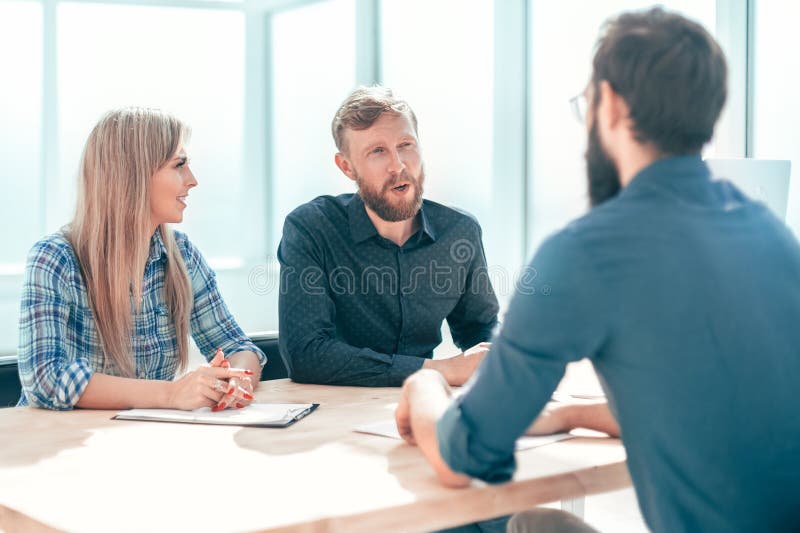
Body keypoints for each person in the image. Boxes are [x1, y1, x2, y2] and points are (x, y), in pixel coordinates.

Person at [396, 7, 800, 532]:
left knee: (524, 525)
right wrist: (572, 414)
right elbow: (711, 403)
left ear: (608, 103)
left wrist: (423, 386)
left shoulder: (588, 251)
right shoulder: (769, 231)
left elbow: (463, 458)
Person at [17, 107, 266, 411]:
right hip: (60, 446)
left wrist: (236, 380)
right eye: (179, 165)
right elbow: (45, 379)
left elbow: (238, 347)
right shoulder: (55, 259)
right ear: (133, 175)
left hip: (143, 441)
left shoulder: (182, 255)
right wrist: (171, 394)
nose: (193, 180)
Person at [277, 86, 500, 388]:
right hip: (335, 409)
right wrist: (436, 370)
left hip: (420, 404)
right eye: (377, 151)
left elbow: (479, 327)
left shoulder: (459, 232)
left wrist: (498, 357)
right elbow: (306, 354)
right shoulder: (312, 229)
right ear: (347, 166)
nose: (398, 165)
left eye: (406, 145)